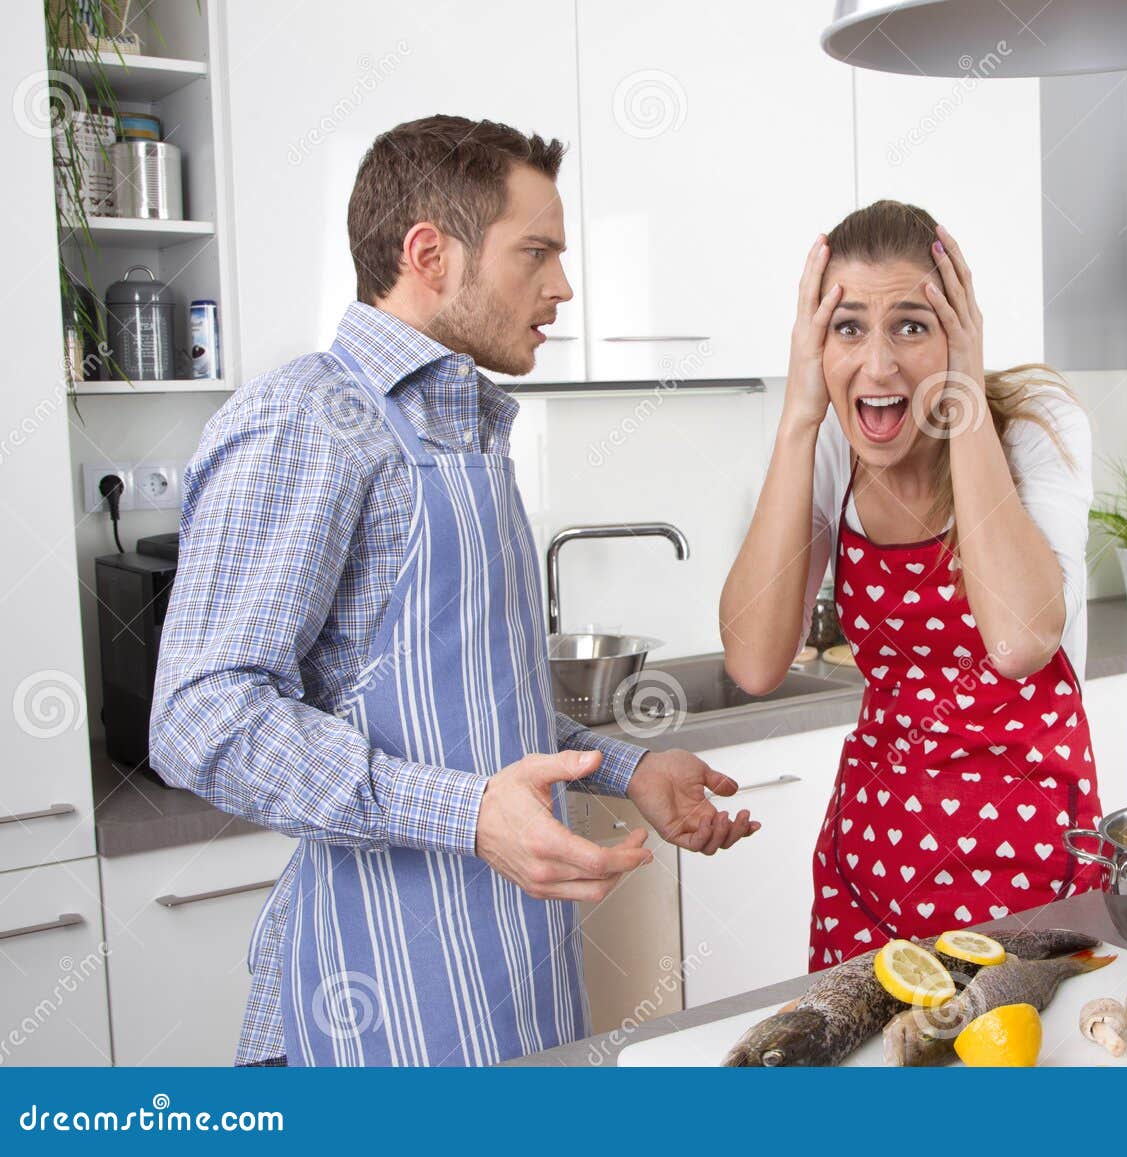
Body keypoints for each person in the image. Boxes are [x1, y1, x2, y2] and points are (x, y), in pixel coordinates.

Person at [151, 115, 758, 1067]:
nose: (563, 286)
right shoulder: (306, 418)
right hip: (376, 991)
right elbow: (199, 715)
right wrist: (467, 813)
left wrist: (626, 770)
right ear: (430, 255)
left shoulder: (465, 427)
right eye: (536, 253)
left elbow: (474, 708)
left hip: (511, 965)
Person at [719, 200, 1106, 968]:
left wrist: (966, 405)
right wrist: (798, 419)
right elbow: (754, 662)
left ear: (958, 333)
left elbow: (1021, 641)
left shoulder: (1033, 424)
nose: (877, 364)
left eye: (910, 325)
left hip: (1027, 868)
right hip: (869, 867)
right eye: (847, 327)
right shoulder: (830, 449)